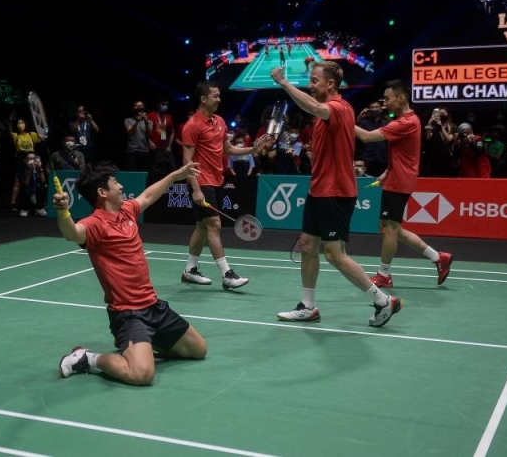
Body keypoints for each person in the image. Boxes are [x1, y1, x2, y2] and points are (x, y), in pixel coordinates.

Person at [270, 63, 402, 327]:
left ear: (330, 84)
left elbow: (315, 107)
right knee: (308, 245)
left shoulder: (339, 108)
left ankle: (382, 300)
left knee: (334, 254)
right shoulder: (325, 114)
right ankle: (308, 306)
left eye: (315, 80)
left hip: (336, 191)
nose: (311, 84)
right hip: (319, 190)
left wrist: (284, 83)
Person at [54, 160, 208, 386]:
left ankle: (142, 346)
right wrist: (63, 212)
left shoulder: (127, 211)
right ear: (102, 192)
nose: (121, 187)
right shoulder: (94, 224)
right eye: (115, 183)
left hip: (153, 306)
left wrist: (177, 174)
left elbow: (148, 195)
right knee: (142, 375)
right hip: (128, 314)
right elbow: (73, 233)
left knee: (198, 349)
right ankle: (88, 358)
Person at [355, 79, 454, 289]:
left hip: (399, 181)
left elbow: (366, 137)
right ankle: (439, 258)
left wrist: (342, 118)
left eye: (388, 98)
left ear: (400, 98)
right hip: (398, 177)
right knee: (395, 229)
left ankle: (384, 275)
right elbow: (404, 153)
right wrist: (387, 171)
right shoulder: (412, 119)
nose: (385, 103)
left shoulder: (405, 123)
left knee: (389, 229)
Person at [179, 80, 266, 290]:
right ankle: (227, 274)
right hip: (202, 181)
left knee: (201, 227)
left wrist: (252, 149)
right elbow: (186, 162)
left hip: (217, 179)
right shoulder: (192, 126)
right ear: (203, 99)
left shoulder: (219, 121)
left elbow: (227, 150)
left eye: (219, 95)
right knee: (214, 225)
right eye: (215, 96)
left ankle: (190, 270)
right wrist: (196, 189)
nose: (219, 99)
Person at [124, 100, 154, 172]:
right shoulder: (128, 120)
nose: (139, 108)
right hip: (132, 150)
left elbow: (149, 134)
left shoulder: (149, 121)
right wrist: (137, 121)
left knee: (144, 172)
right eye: (137, 106)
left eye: (141, 106)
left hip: (145, 149)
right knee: (132, 172)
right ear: (133, 109)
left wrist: (146, 122)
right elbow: (130, 133)